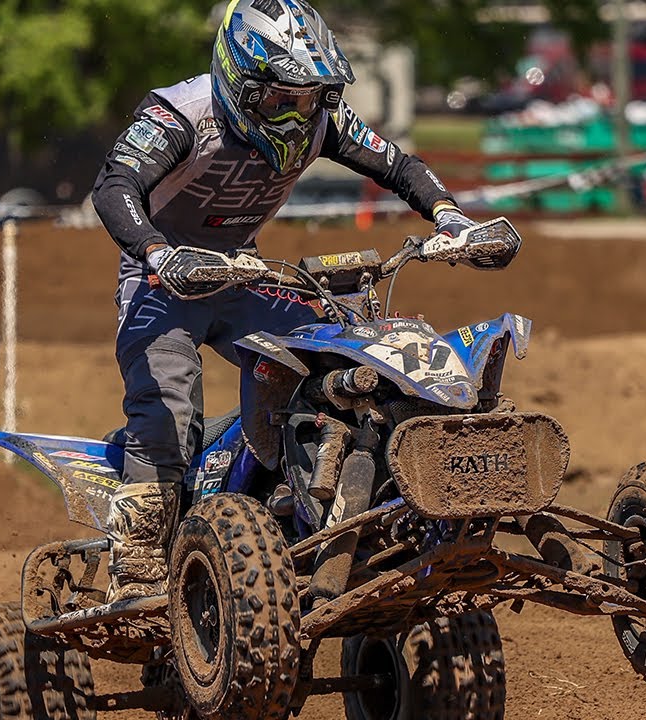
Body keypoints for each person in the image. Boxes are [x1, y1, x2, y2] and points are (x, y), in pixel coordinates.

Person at [91, 0, 479, 605]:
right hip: (163, 279)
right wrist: (157, 251)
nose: (298, 117)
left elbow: (396, 164)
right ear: (238, 80)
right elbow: (114, 186)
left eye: (310, 98)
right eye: (281, 100)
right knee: (167, 407)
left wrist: (450, 218)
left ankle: (330, 506)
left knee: (348, 356)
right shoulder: (180, 114)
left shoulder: (324, 118)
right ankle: (139, 568)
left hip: (245, 273)